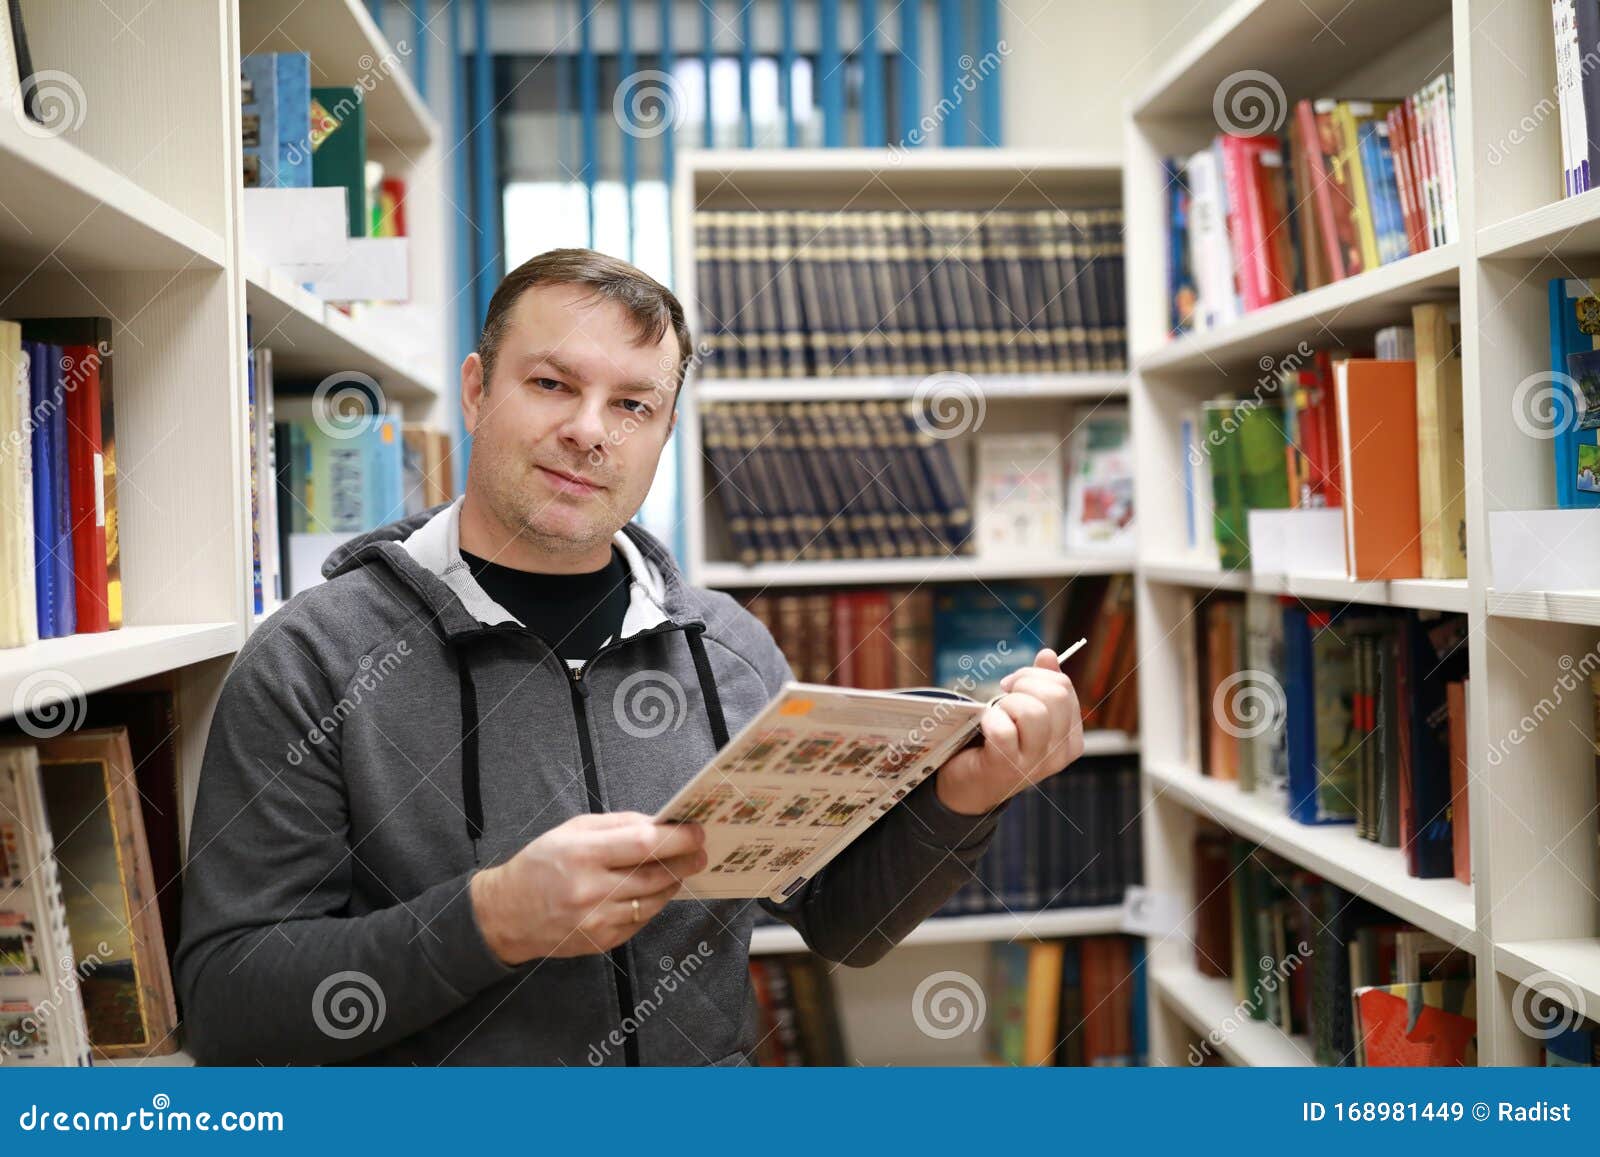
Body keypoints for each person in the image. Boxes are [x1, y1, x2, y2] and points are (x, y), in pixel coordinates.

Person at [175, 249, 1086, 1065]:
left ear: (663, 429)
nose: (589, 430)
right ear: (476, 387)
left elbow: (843, 924)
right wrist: (488, 920)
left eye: (632, 403)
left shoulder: (728, 647)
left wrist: (967, 794)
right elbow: (229, 1004)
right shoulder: (311, 658)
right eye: (551, 384)